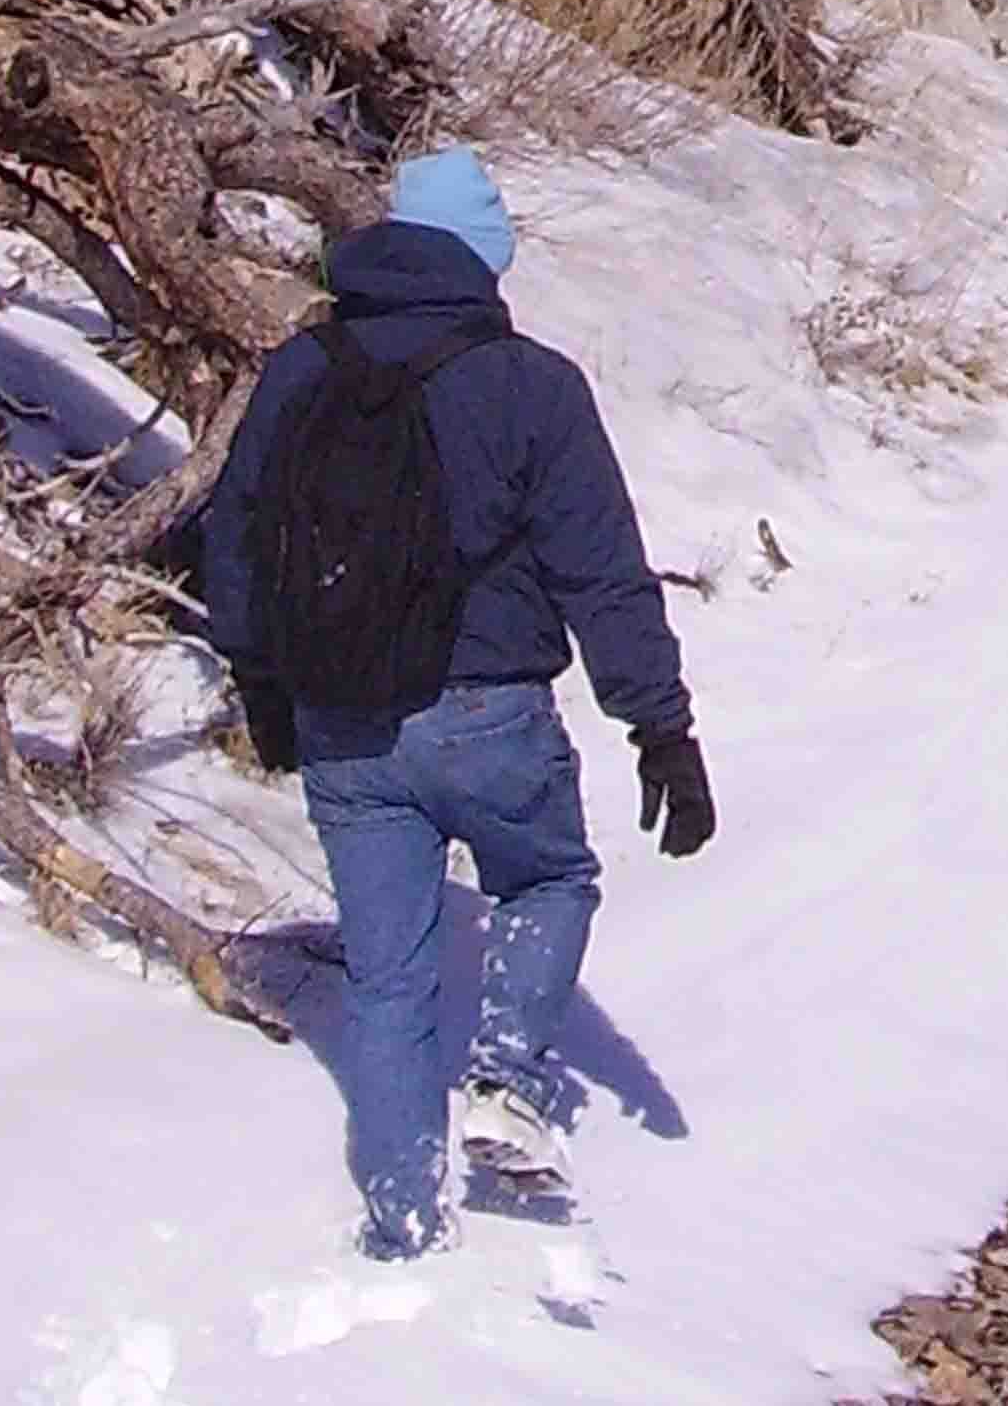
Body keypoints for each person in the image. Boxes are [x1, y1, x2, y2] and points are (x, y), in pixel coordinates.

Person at [202, 146, 716, 1259]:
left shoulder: (302, 368)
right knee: (549, 877)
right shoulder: (531, 383)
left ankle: (402, 1223)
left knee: (389, 978)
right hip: (489, 713)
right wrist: (659, 724)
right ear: (484, 260)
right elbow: (602, 572)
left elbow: (235, 536)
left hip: (342, 719)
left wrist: (261, 688)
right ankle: (506, 1082)